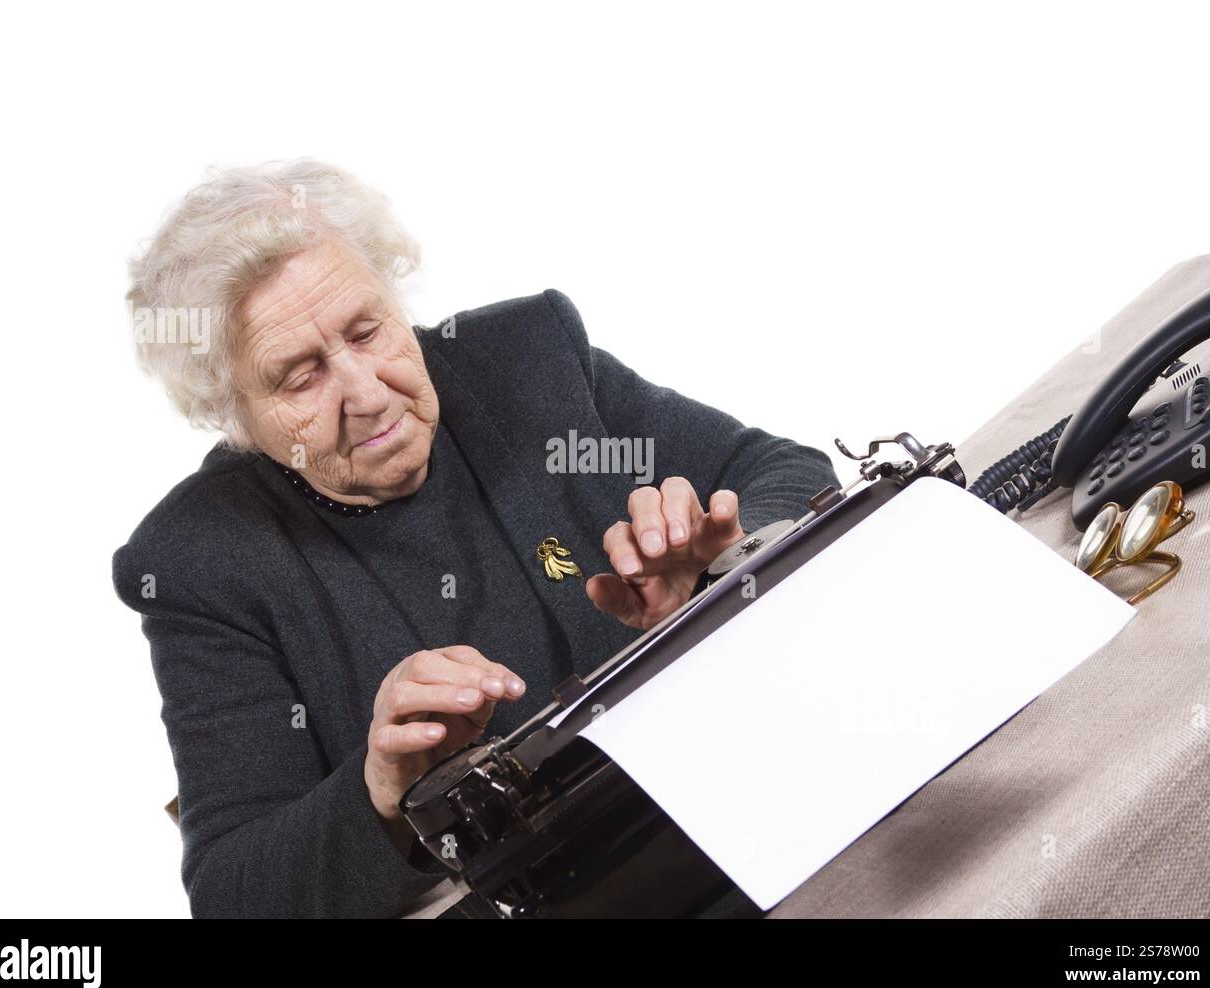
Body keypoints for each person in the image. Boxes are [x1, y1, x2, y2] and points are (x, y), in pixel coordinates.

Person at [112, 159, 838, 916]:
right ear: (232, 415)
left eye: (368, 330)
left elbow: (782, 469)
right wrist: (380, 792)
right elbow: (235, 894)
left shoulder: (527, 359)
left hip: (747, 814)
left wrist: (722, 562)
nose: (366, 392)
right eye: (300, 377)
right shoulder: (204, 559)